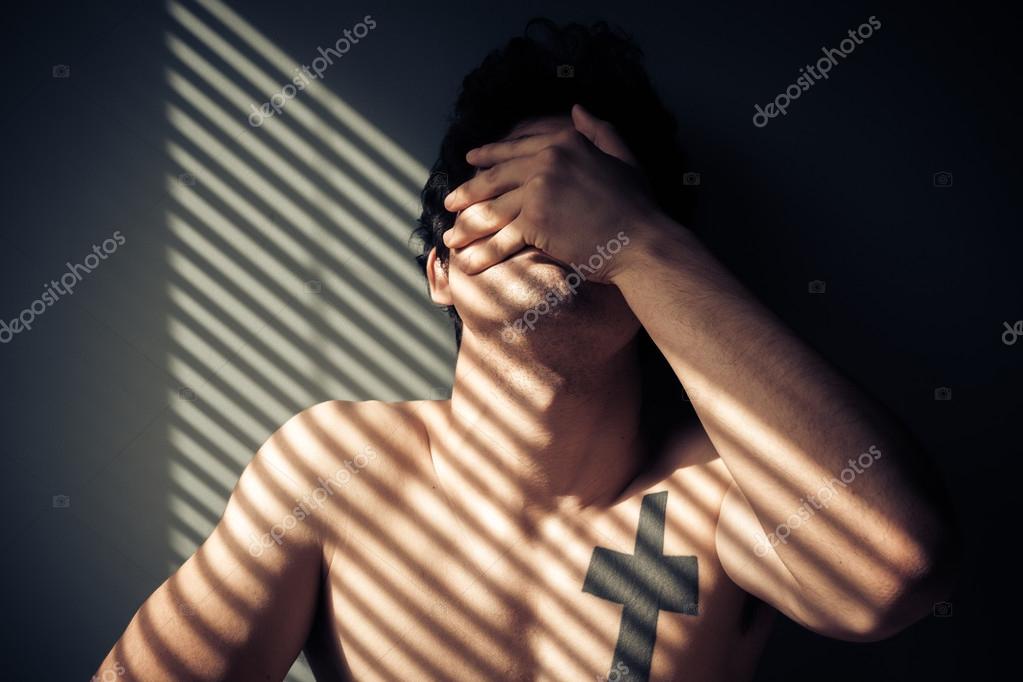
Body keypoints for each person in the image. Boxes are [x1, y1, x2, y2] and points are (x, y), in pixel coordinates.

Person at [95, 18, 956, 682]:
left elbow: (894, 570)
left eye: (583, 197)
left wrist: (639, 240)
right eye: (510, 191)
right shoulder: (338, 467)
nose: (548, 227)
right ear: (439, 270)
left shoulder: (724, 493)